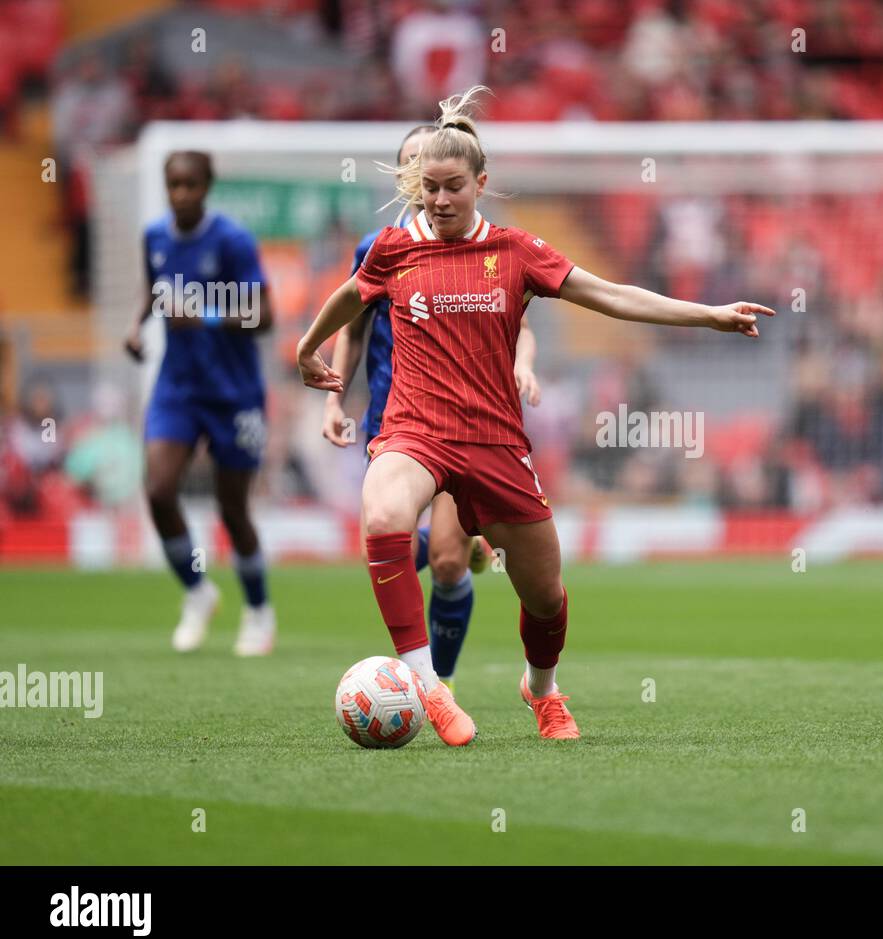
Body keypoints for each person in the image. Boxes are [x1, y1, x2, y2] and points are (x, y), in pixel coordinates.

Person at [298, 85, 772, 744]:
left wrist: (708, 314)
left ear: (480, 182)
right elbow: (348, 299)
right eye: (428, 187)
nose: (439, 200)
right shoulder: (392, 250)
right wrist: (305, 353)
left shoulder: (517, 252)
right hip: (414, 431)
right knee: (382, 517)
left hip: (494, 442)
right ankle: (428, 686)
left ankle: (542, 689)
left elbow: (608, 295)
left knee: (546, 599)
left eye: (452, 187)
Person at [323, 124, 542, 694]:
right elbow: (350, 323)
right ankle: (457, 548)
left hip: (467, 423)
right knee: (392, 535)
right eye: (418, 165)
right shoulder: (380, 249)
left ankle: (436, 685)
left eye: (446, 172)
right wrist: (333, 396)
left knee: (446, 562)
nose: (436, 182)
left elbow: (516, 315)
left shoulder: (482, 245)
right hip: (397, 423)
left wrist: (524, 363)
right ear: (406, 176)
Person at [125, 150, 276, 656]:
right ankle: (197, 590)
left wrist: (206, 316)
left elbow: (266, 314)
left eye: (190, 185)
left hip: (235, 393)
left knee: (231, 508)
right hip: (179, 387)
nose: (181, 194)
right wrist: (137, 325)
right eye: (174, 185)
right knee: (159, 489)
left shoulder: (232, 241)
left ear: (207, 186)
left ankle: (257, 610)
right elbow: (155, 288)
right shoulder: (154, 237)